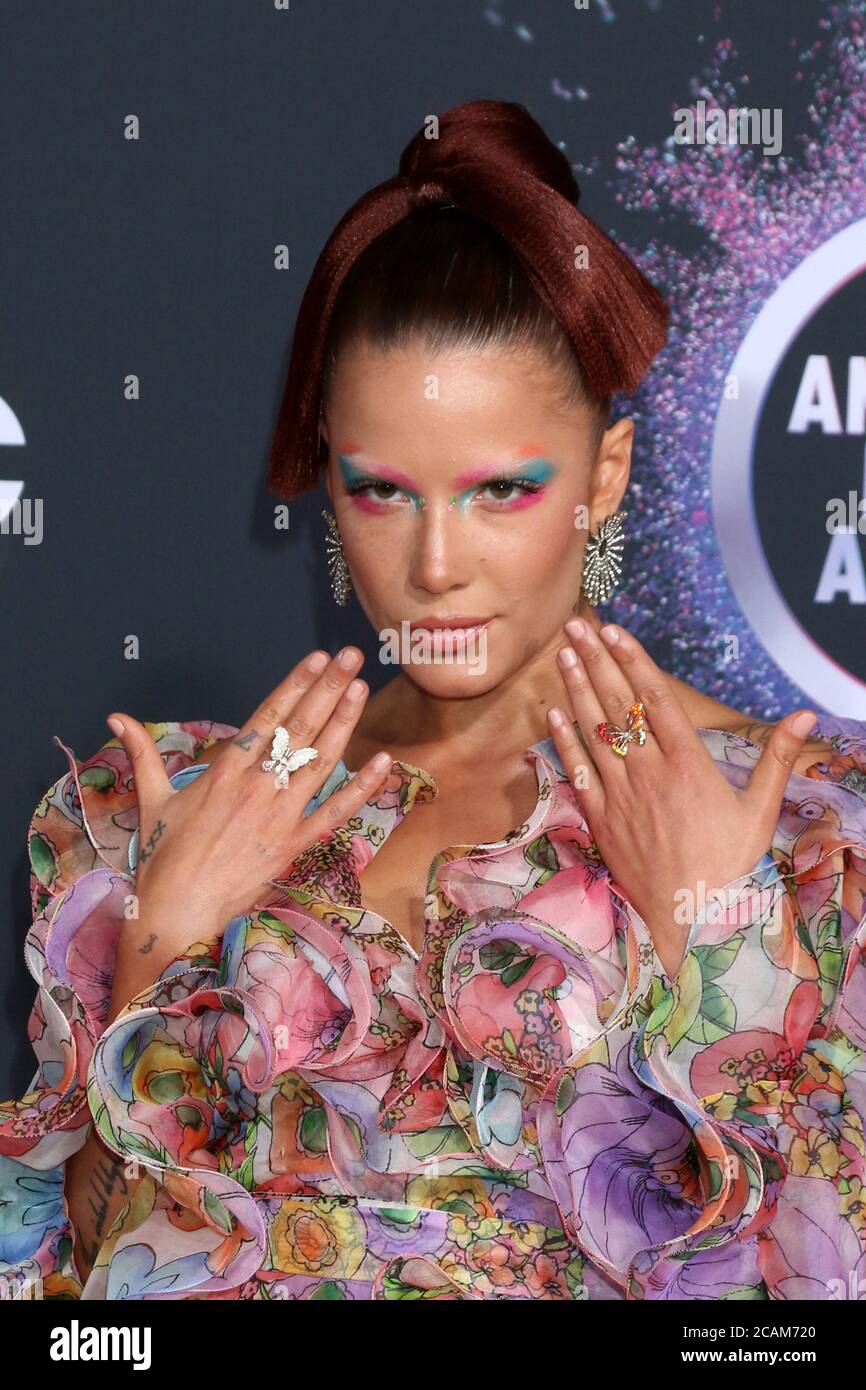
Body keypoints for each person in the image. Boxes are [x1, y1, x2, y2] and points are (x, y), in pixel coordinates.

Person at [2, 99, 865, 1303]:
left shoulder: (808, 827)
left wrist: (723, 948)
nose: (437, 563)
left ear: (602, 477)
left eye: (503, 490)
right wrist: (159, 951)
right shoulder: (185, 808)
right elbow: (69, 1285)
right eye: (381, 492)